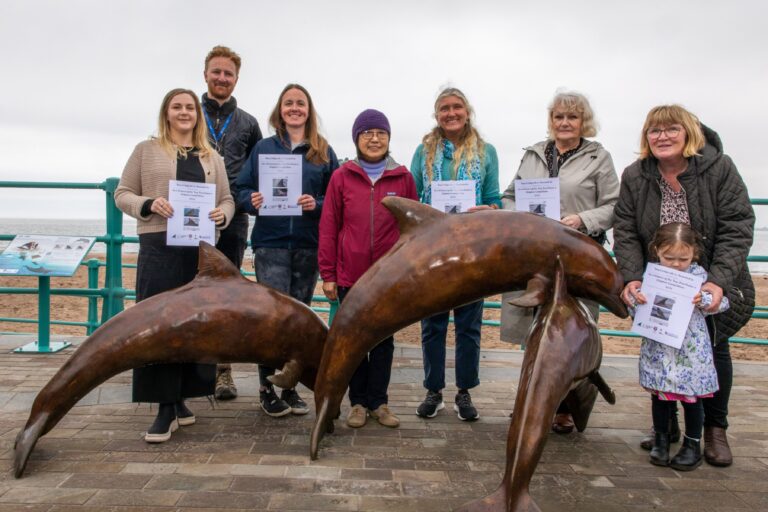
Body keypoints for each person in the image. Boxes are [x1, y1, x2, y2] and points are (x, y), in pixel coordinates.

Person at [613, 104, 755, 467]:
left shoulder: (719, 169)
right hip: (659, 280)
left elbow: (737, 225)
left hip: (706, 277)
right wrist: (631, 276)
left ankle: (713, 430)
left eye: (671, 129)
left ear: (688, 132)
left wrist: (718, 281)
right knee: (662, 350)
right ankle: (666, 429)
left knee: (714, 347)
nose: (662, 137)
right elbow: (626, 229)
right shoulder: (635, 175)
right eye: (654, 131)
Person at [115, 88, 234, 443]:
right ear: (166, 113)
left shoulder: (213, 157)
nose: (184, 112)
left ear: (197, 114)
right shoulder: (145, 150)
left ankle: (183, 399)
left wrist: (221, 215)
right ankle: (164, 407)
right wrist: (149, 203)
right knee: (158, 325)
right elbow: (122, 193)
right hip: (159, 247)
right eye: (177, 107)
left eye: (190, 107)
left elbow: (227, 199)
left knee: (196, 325)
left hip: (199, 252)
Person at [500, 91, 619, 433]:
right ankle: (531, 403)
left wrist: (583, 219)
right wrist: (520, 216)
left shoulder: (599, 157)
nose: (564, 123)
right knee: (535, 331)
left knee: (572, 333)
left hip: (578, 254)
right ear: (550, 121)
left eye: (572, 117)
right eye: (558, 117)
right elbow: (510, 196)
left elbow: (614, 204)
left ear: (584, 122)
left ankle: (567, 407)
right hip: (537, 255)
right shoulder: (534, 154)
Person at [235, 83, 338, 418]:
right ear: (280, 110)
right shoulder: (263, 148)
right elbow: (241, 189)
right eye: (289, 103)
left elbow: (336, 199)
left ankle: (290, 387)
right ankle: (266, 389)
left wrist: (316, 203)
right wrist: (251, 201)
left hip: (308, 244)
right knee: (272, 321)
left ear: (309, 110)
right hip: (271, 243)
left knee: (299, 319)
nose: (295, 108)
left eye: (301, 103)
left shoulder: (322, 150)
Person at [319, 109, 418, 429]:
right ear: (357, 138)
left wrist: (410, 272)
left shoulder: (403, 177)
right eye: (367, 133)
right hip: (351, 275)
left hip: (389, 278)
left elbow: (414, 229)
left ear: (388, 138)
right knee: (354, 340)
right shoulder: (341, 176)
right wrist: (329, 274)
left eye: (380, 133)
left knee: (383, 341)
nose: (374, 139)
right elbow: (329, 227)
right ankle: (358, 403)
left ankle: (380, 402)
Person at [411, 87, 501, 421]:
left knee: (468, 325)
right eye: (444, 108)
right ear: (437, 115)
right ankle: (433, 390)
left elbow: (495, 198)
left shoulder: (486, 151)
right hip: (433, 249)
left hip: (472, 250)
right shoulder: (424, 151)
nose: (451, 113)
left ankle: (464, 392)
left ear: (467, 111)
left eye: (457, 107)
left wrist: (487, 208)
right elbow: (413, 194)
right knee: (432, 323)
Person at [630, 223, 728, 471]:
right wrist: (636, 299)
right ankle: (661, 439)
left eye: (682, 258)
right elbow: (634, 308)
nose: (675, 264)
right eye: (669, 257)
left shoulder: (701, 277)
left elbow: (722, 303)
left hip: (690, 353)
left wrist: (705, 299)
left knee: (692, 400)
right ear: (656, 251)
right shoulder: (650, 276)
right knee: (660, 397)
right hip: (660, 349)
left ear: (694, 253)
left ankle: (692, 444)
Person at [201, 45, 263, 402]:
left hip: (234, 220)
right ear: (205, 73)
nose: (222, 78)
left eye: (228, 73)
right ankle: (191, 371)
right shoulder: (187, 111)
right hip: (191, 218)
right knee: (189, 290)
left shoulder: (249, 123)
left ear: (236, 79)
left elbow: (258, 170)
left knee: (225, 294)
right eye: (216, 71)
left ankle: (223, 372)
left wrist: (256, 200)